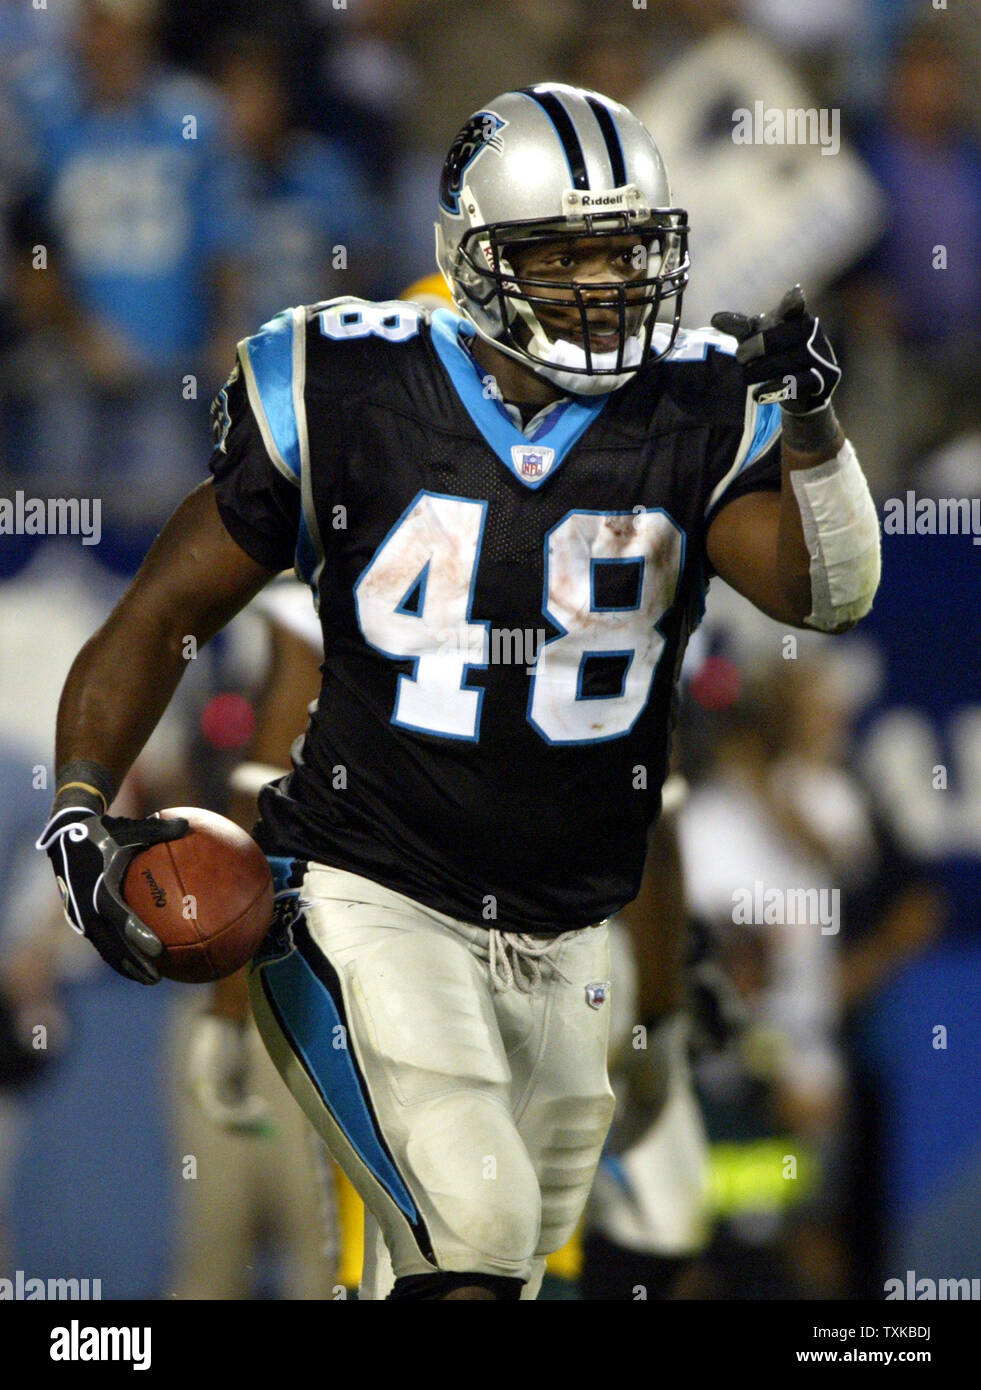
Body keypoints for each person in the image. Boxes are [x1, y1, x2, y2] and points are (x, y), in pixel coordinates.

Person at [37, 83, 881, 1301]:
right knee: (475, 1234)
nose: (607, 283)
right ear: (477, 258)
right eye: (568, 254)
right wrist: (78, 805)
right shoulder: (348, 389)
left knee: (476, 1268)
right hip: (366, 894)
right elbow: (163, 611)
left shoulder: (693, 401)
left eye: (626, 250)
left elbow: (829, 593)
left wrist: (812, 429)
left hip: (572, 931)